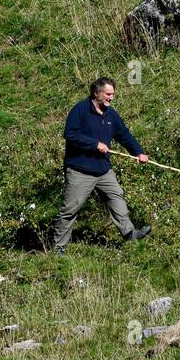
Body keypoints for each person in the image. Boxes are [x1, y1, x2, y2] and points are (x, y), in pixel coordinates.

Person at [51, 77, 152, 251]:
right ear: (96, 93)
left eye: (113, 94)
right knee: (70, 209)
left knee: (116, 199)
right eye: (108, 94)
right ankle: (59, 247)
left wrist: (139, 152)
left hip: (104, 171)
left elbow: (124, 135)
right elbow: (70, 134)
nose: (111, 97)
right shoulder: (80, 110)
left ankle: (129, 234)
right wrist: (95, 144)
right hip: (80, 171)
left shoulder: (111, 114)